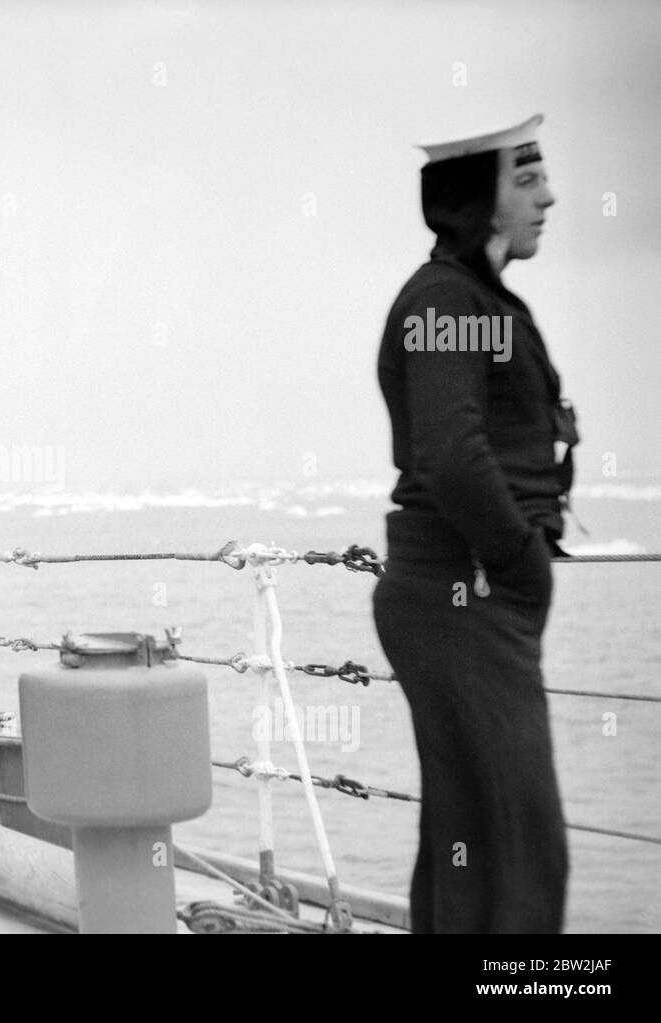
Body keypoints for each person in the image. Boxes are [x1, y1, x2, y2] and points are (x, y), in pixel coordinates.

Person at [373, 114, 575, 933]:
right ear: (476, 197)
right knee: (522, 845)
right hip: (467, 593)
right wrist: (523, 562)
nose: (550, 196)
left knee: (473, 841)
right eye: (525, 180)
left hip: (471, 593)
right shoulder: (449, 300)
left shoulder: (474, 299)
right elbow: (453, 456)